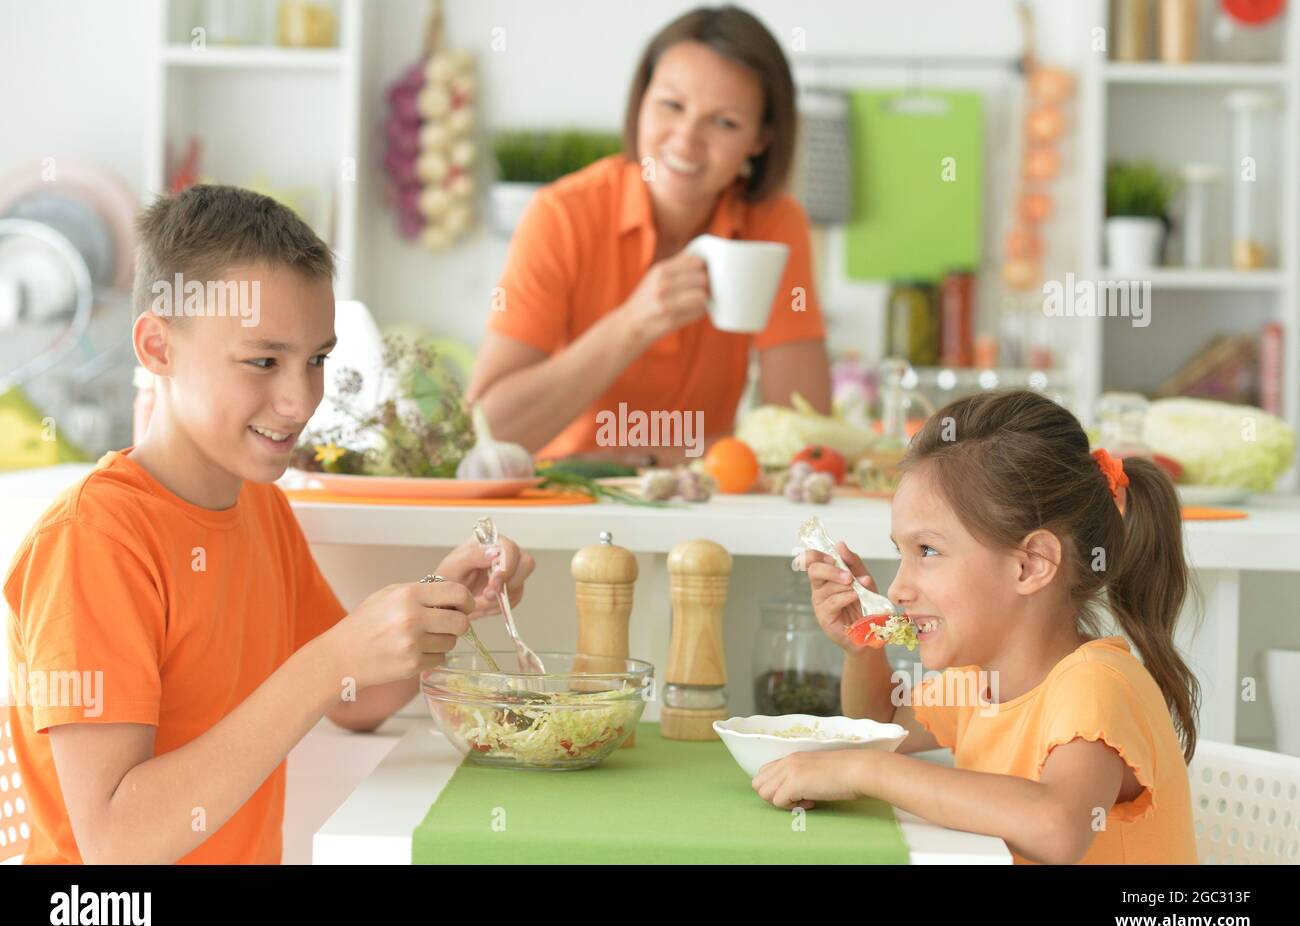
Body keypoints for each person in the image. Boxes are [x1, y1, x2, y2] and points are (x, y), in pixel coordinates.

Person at [4, 185, 535, 864]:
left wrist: (443, 600)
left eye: (316, 359)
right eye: (264, 361)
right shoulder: (94, 541)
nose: (300, 398)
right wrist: (328, 661)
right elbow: (115, 843)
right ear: (157, 346)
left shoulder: (260, 508)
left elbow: (355, 698)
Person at [768, 389, 1199, 865]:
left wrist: (864, 770)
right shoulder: (978, 680)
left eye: (927, 551)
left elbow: (1057, 828)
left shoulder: (1095, 685)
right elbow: (883, 727)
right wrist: (863, 646)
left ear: (1031, 564)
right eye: (901, 553)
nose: (897, 590)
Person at [468, 5, 831, 464]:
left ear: (760, 140)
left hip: (705, 499)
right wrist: (632, 325)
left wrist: (664, 457)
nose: (685, 140)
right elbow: (486, 432)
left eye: (725, 122)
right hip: (564, 501)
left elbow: (806, 433)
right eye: (671, 105)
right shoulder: (561, 215)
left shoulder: (773, 223)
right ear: (640, 101)